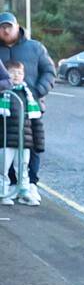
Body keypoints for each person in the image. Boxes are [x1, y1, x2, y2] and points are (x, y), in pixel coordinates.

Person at [0, 11, 55, 198]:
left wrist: (38, 91)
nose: (5, 31)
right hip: (4, 110)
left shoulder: (35, 48)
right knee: (4, 146)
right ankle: (8, 184)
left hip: (31, 108)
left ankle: (30, 183)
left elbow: (49, 71)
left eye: (9, 26)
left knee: (31, 146)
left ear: (17, 27)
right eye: (2, 27)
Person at [0, 60, 45, 205]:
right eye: (12, 73)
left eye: (20, 73)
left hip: (24, 140)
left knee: (23, 167)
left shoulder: (28, 95)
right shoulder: (3, 94)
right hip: (5, 140)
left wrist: (39, 142)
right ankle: (4, 192)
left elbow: (36, 122)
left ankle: (23, 192)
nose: (16, 76)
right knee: (3, 168)